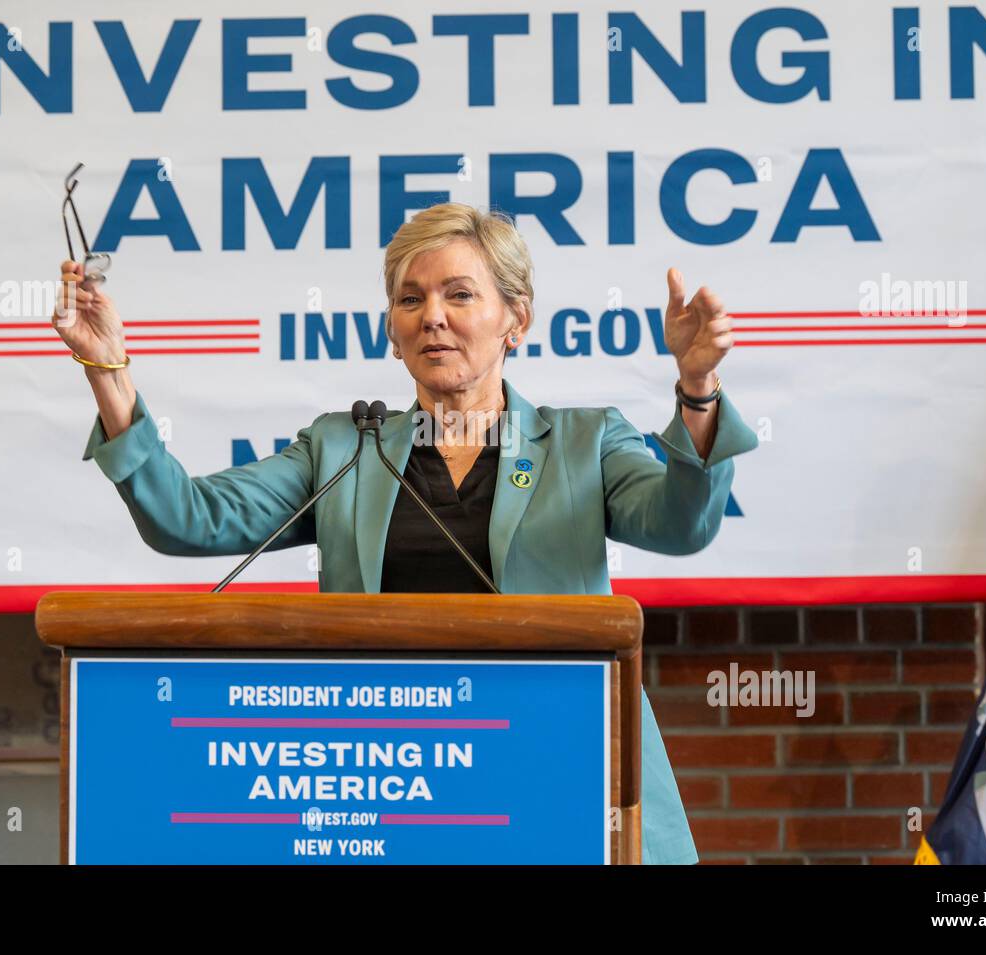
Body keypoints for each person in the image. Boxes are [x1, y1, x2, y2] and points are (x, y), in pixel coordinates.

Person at [53, 202, 758, 864]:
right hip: (399, 786)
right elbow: (188, 518)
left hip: (560, 776)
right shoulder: (344, 449)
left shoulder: (585, 441)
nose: (432, 318)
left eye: (459, 295)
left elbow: (681, 523)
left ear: (517, 319)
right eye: (411, 300)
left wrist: (697, 389)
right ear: (391, 330)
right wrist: (108, 370)